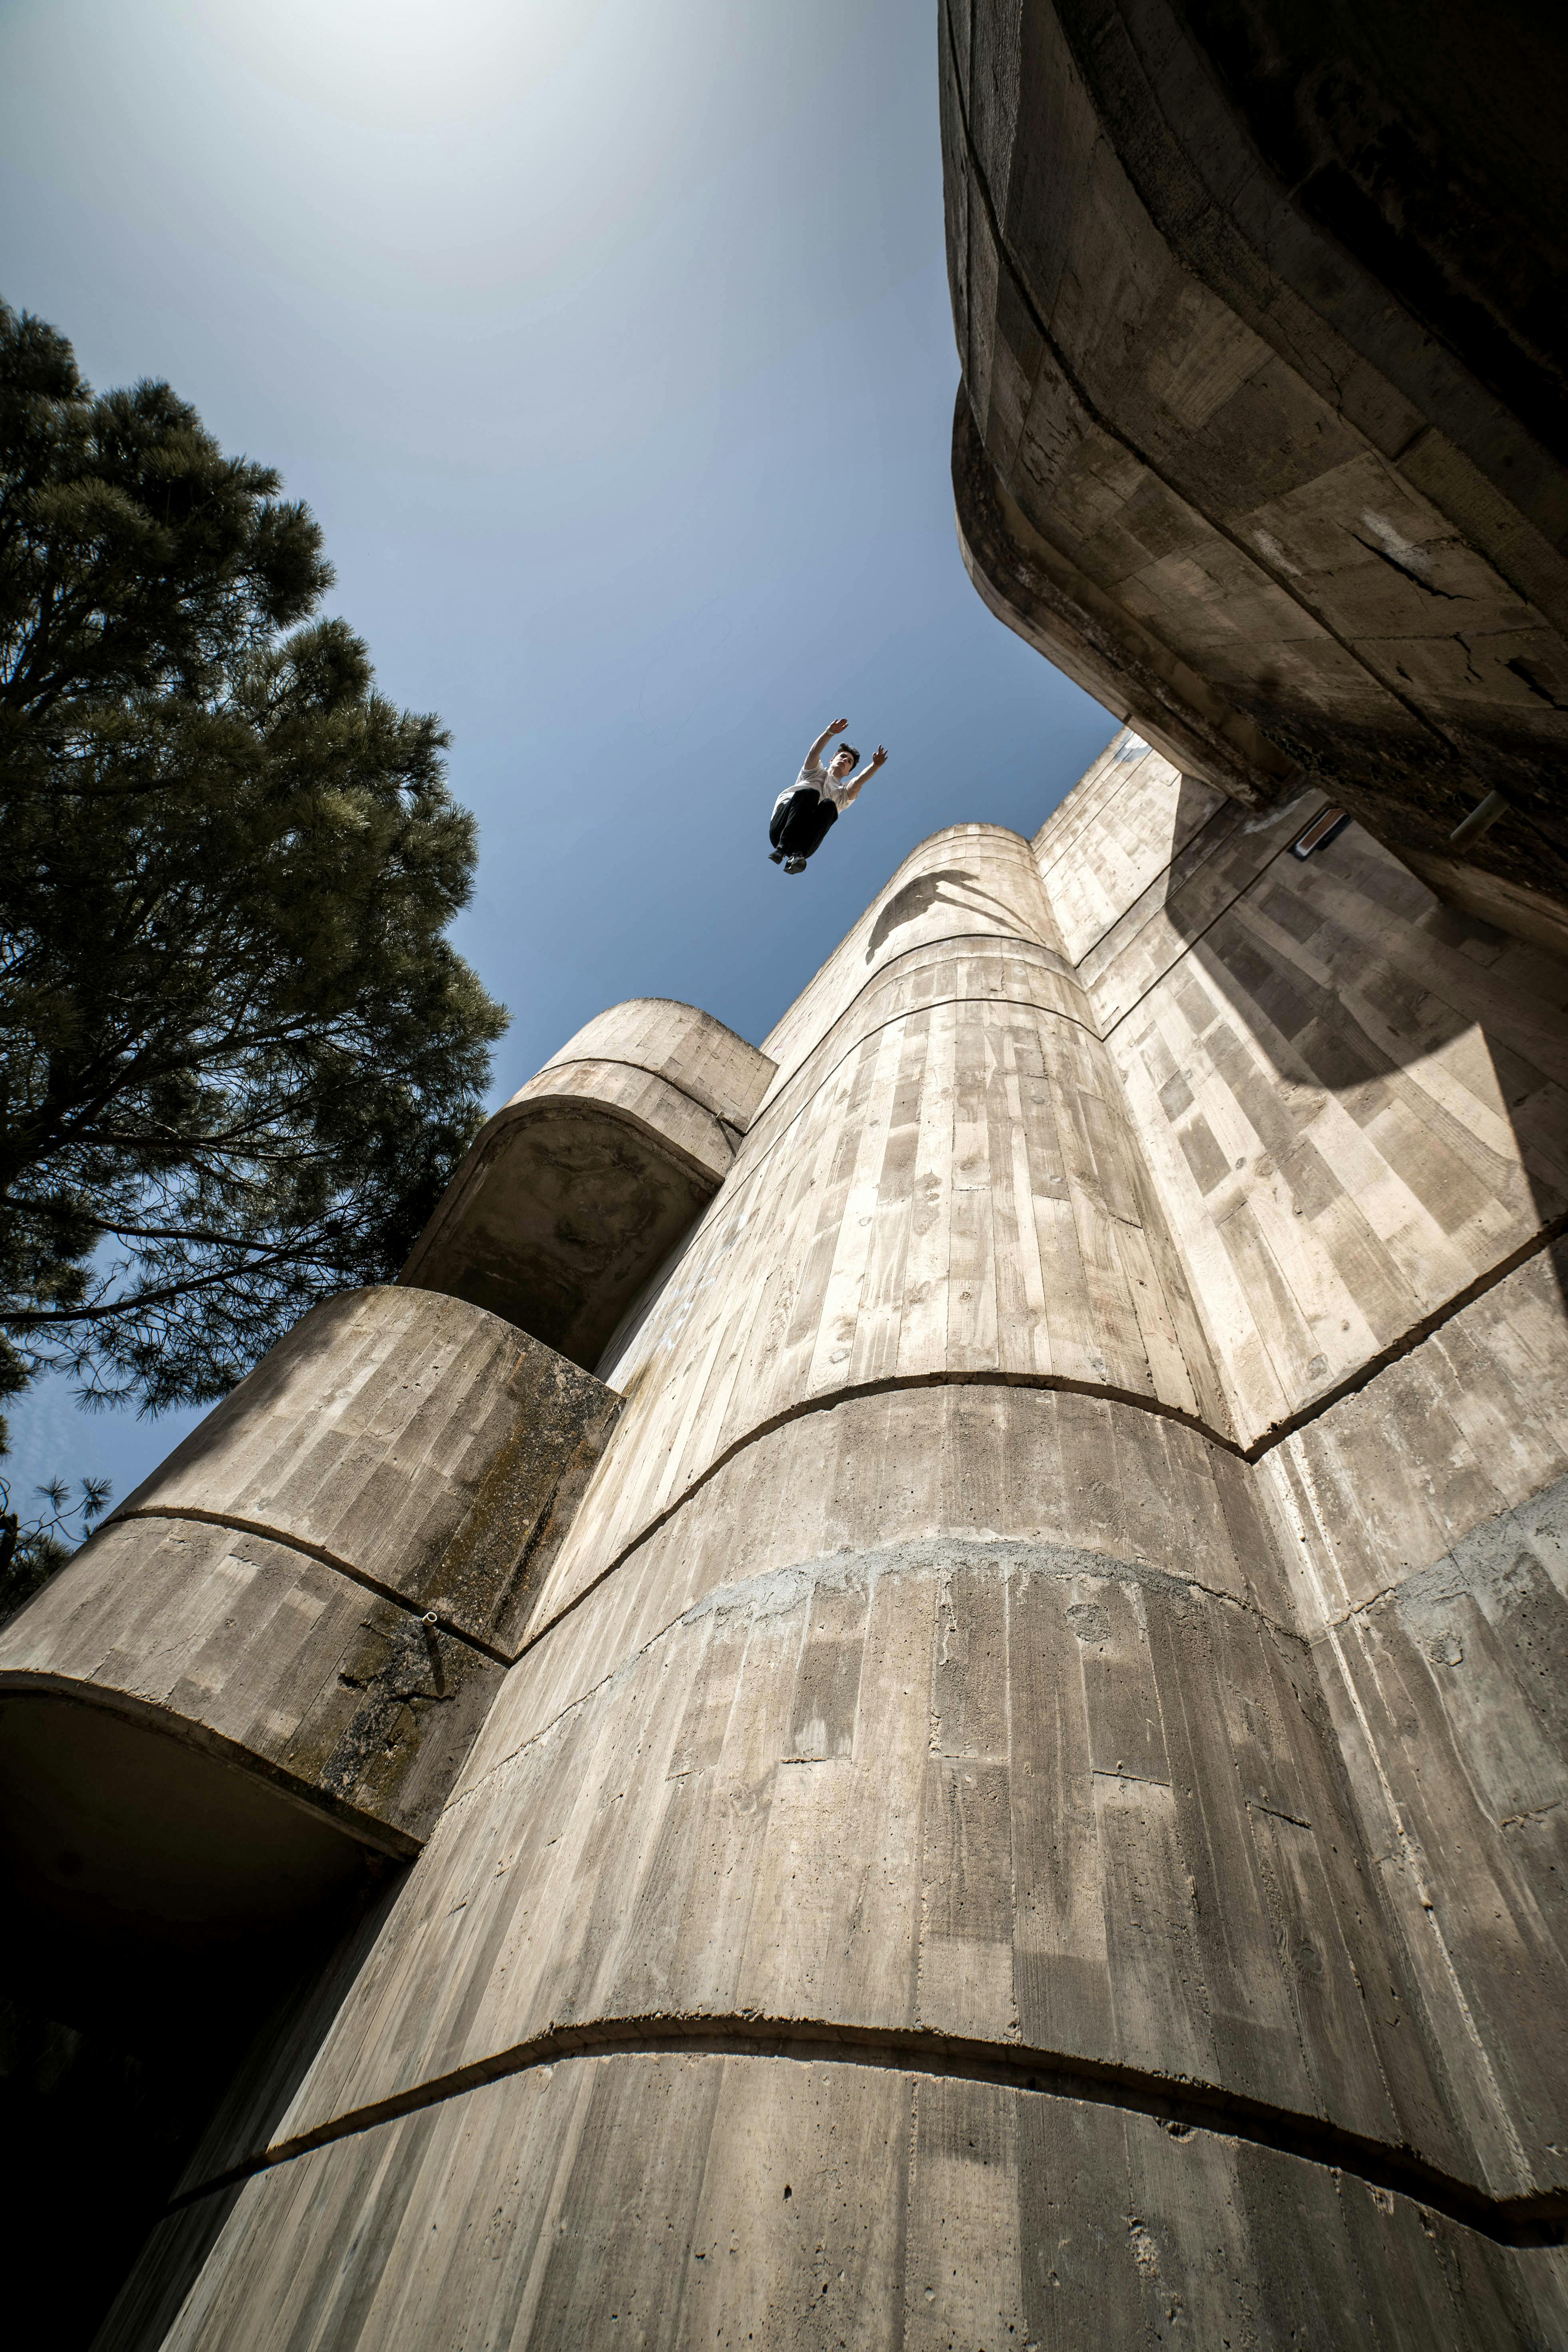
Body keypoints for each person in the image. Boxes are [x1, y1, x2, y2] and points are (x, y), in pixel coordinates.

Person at [769, 720, 889, 872]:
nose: (845, 760)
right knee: (811, 793)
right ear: (832, 760)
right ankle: (782, 848)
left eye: (849, 762)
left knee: (829, 806)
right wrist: (829, 733)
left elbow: (859, 782)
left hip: (803, 843)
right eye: (842, 757)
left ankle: (798, 856)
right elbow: (814, 754)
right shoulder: (814, 773)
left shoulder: (843, 794)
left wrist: (876, 766)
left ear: (848, 772)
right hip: (781, 829)